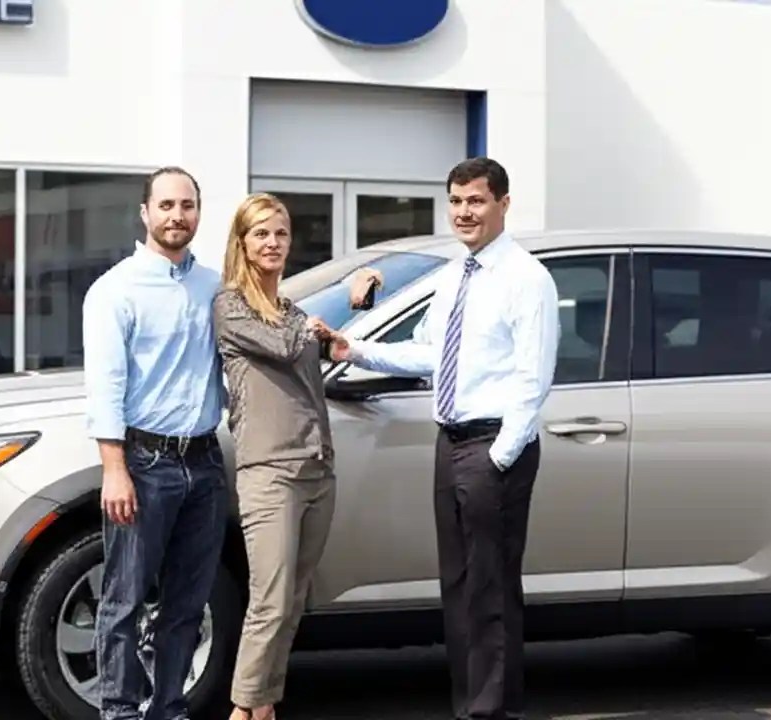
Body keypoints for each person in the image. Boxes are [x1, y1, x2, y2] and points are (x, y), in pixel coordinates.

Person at [322, 157, 559, 720]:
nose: (463, 212)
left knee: (491, 590)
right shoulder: (456, 275)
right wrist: (355, 350)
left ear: (503, 203)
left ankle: (492, 712)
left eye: (475, 200)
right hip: (449, 444)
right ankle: (472, 706)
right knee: (458, 587)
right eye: (455, 201)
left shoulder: (527, 279)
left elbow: (534, 376)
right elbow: (431, 352)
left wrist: (502, 454)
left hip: (493, 447)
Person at [83, 166, 229, 720]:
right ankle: (119, 712)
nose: (177, 216)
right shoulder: (114, 290)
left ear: (198, 212)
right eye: (166, 205)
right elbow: (106, 385)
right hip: (143, 466)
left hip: (205, 465)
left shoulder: (214, 286)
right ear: (145, 214)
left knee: (187, 606)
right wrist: (113, 467)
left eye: (187, 205)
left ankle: (169, 709)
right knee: (123, 602)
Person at [211, 193, 337, 720]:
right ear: (242, 242)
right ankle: (243, 711)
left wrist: (329, 338)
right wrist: (328, 317)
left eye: (281, 233)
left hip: (317, 468)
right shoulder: (231, 305)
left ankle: (265, 708)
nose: (273, 243)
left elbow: (310, 363)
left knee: (291, 603)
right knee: (269, 601)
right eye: (261, 233)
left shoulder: (291, 310)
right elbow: (287, 347)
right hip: (270, 472)